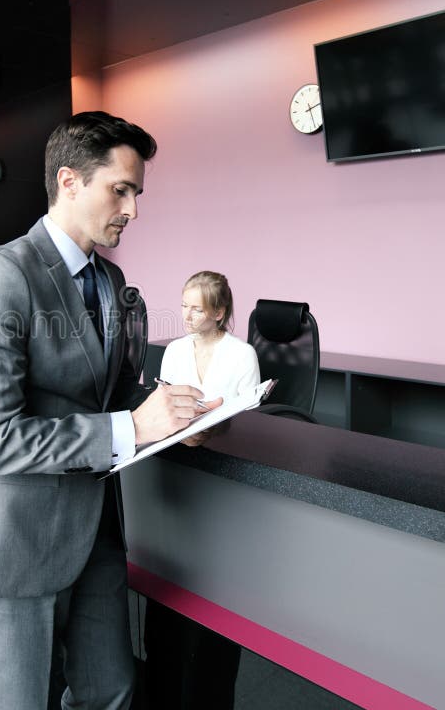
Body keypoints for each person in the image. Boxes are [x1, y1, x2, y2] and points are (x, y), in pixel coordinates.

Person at [0, 111, 222, 710]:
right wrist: (132, 428)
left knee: (111, 691)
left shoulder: (112, 281)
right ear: (68, 181)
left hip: (95, 534)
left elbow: (110, 394)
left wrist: (172, 416)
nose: (133, 209)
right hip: (15, 541)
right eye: (120, 189)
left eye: (136, 192)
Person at [144, 270, 260, 710]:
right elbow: (166, 401)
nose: (187, 315)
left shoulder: (242, 354)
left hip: (225, 467)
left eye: (196, 308)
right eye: (184, 305)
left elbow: (250, 421)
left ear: (220, 312)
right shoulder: (173, 351)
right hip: (181, 460)